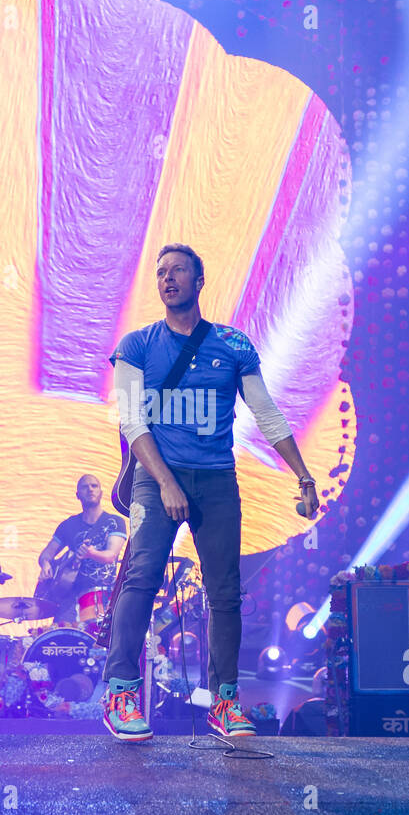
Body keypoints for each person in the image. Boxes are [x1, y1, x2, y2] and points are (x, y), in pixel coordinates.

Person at [102, 243, 319, 741]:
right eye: (161, 272)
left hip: (218, 481)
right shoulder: (137, 345)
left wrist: (304, 477)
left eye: (178, 270)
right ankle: (120, 694)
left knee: (225, 595)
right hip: (157, 479)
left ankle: (224, 703)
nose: (168, 277)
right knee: (141, 580)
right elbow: (132, 422)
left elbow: (266, 414)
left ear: (200, 281)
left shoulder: (233, 345)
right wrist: (167, 482)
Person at [37, 475, 126, 624]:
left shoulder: (115, 522)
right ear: (78, 495)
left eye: (94, 486)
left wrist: (92, 554)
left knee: (93, 639)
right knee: (61, 637)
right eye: (85, 487)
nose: (90, 489)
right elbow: (46, 554)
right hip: (69, 596)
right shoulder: (68, 525)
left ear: (101, 493)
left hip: (101, 595)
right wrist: (45, 564)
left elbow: (111, 555)